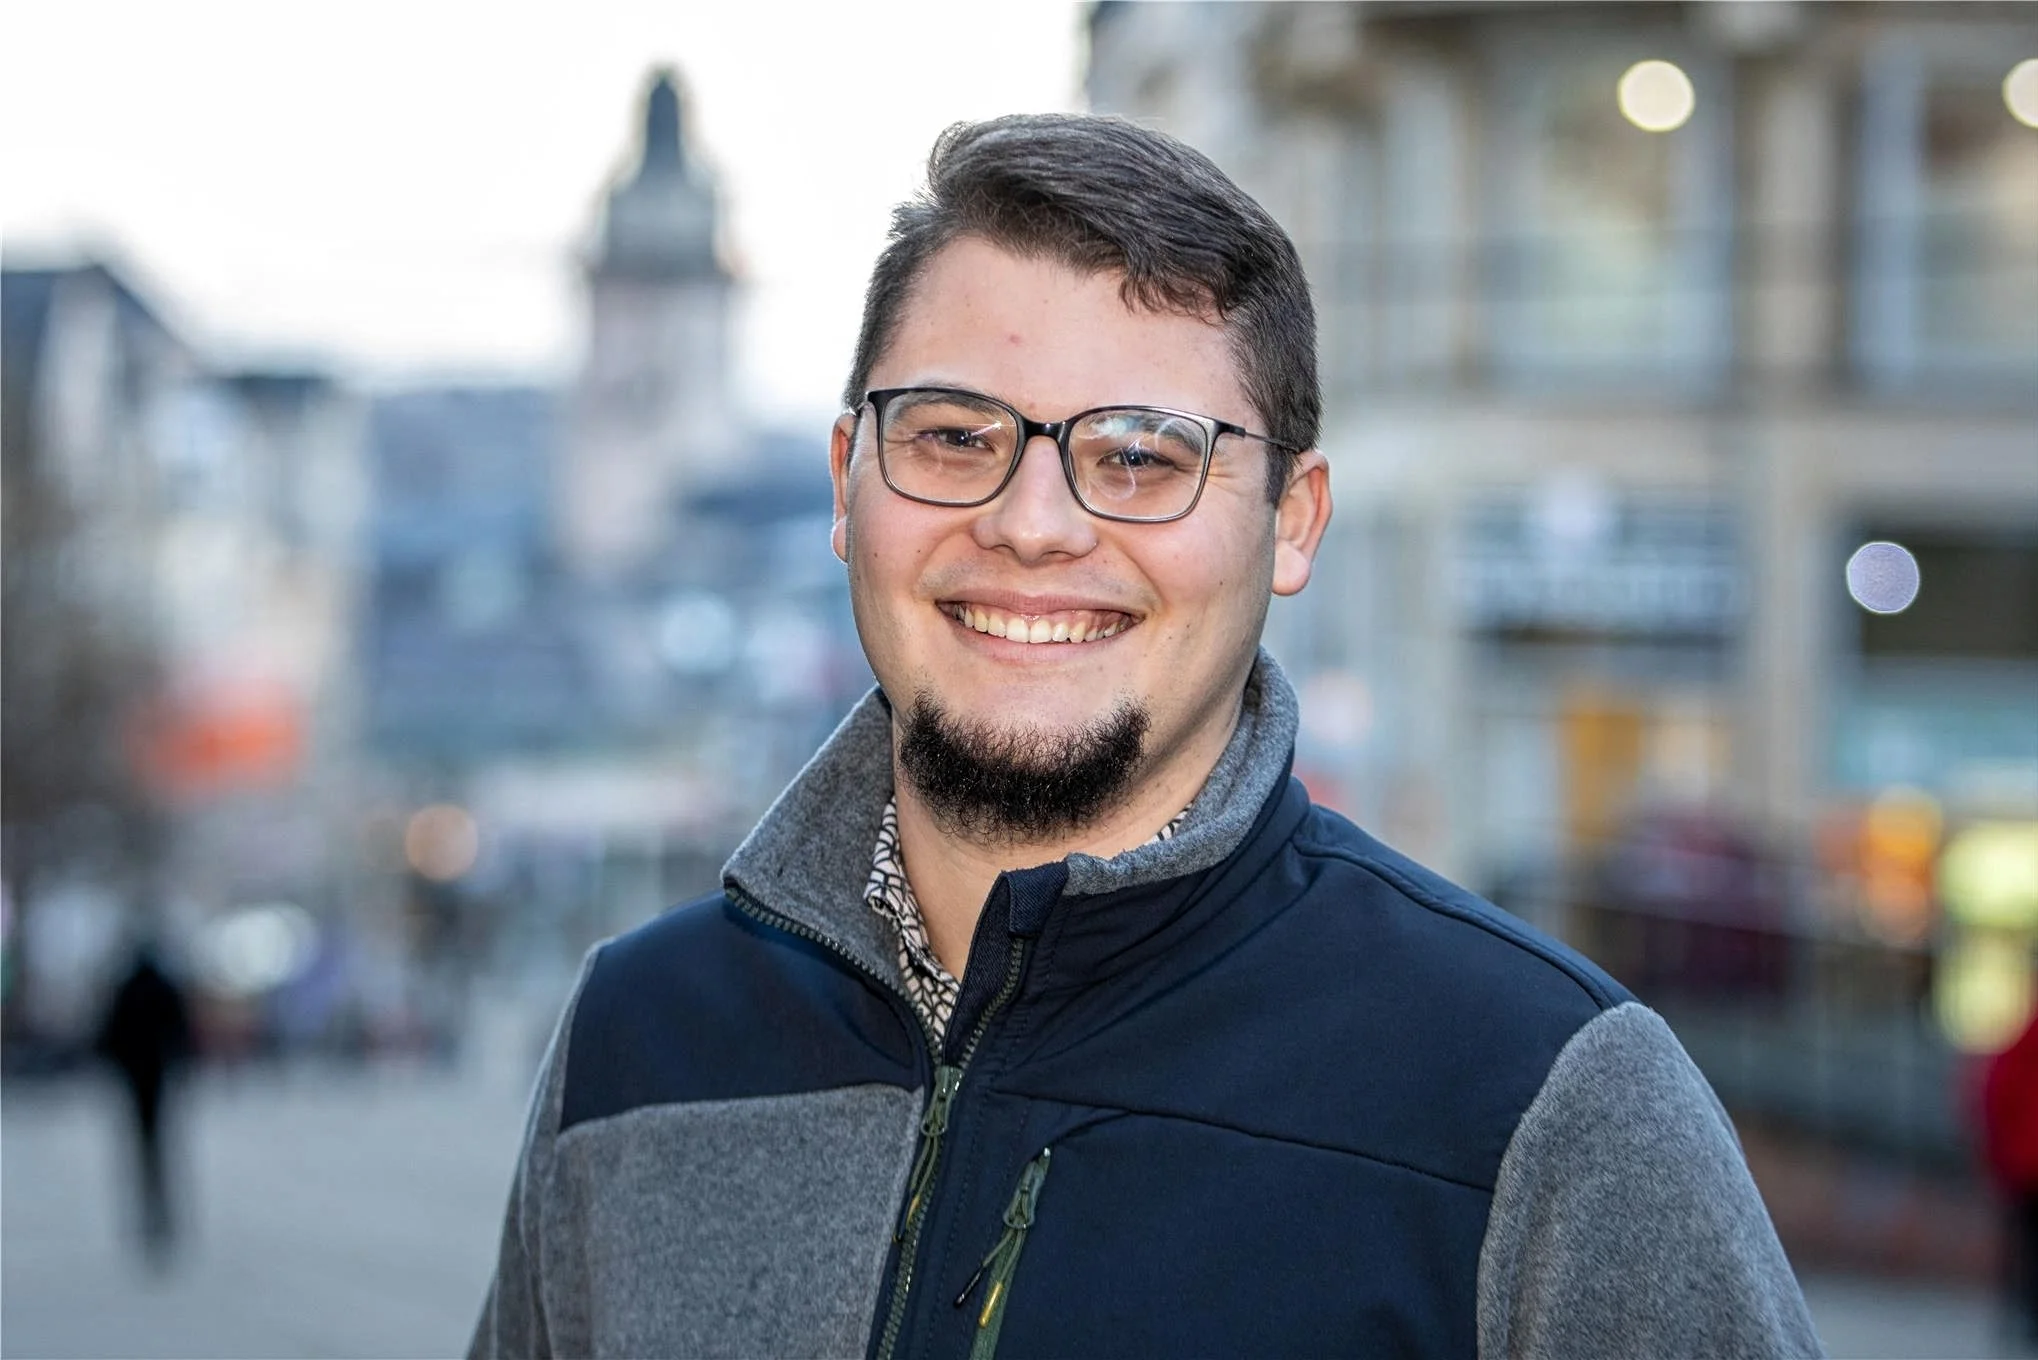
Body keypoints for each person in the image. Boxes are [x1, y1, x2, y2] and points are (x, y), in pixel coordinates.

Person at [472, 114, 1820, 1358]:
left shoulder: (1543, 1101)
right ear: (846, 485)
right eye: (953, 436)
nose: (1035, 523)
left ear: (1292, 522)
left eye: (1140, 457)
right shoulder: (638, 1043)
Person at [94, 938, 194, 1264]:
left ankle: (148, 1213)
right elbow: (181, 1034)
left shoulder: (127, 989)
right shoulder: (164, 988)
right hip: (158, 1078)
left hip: (136, 1080)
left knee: (142, 1147)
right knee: (160, 1148)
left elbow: (108, 1036)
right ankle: (162, 1214)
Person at [1982, 997, 2038, 1346]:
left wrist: (1999, 1156)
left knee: (2026, 1246)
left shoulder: (2019, 1047)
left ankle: (2022, 1315)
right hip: (2025, 1167)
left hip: (2023, 1169)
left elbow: (1994, 1096)